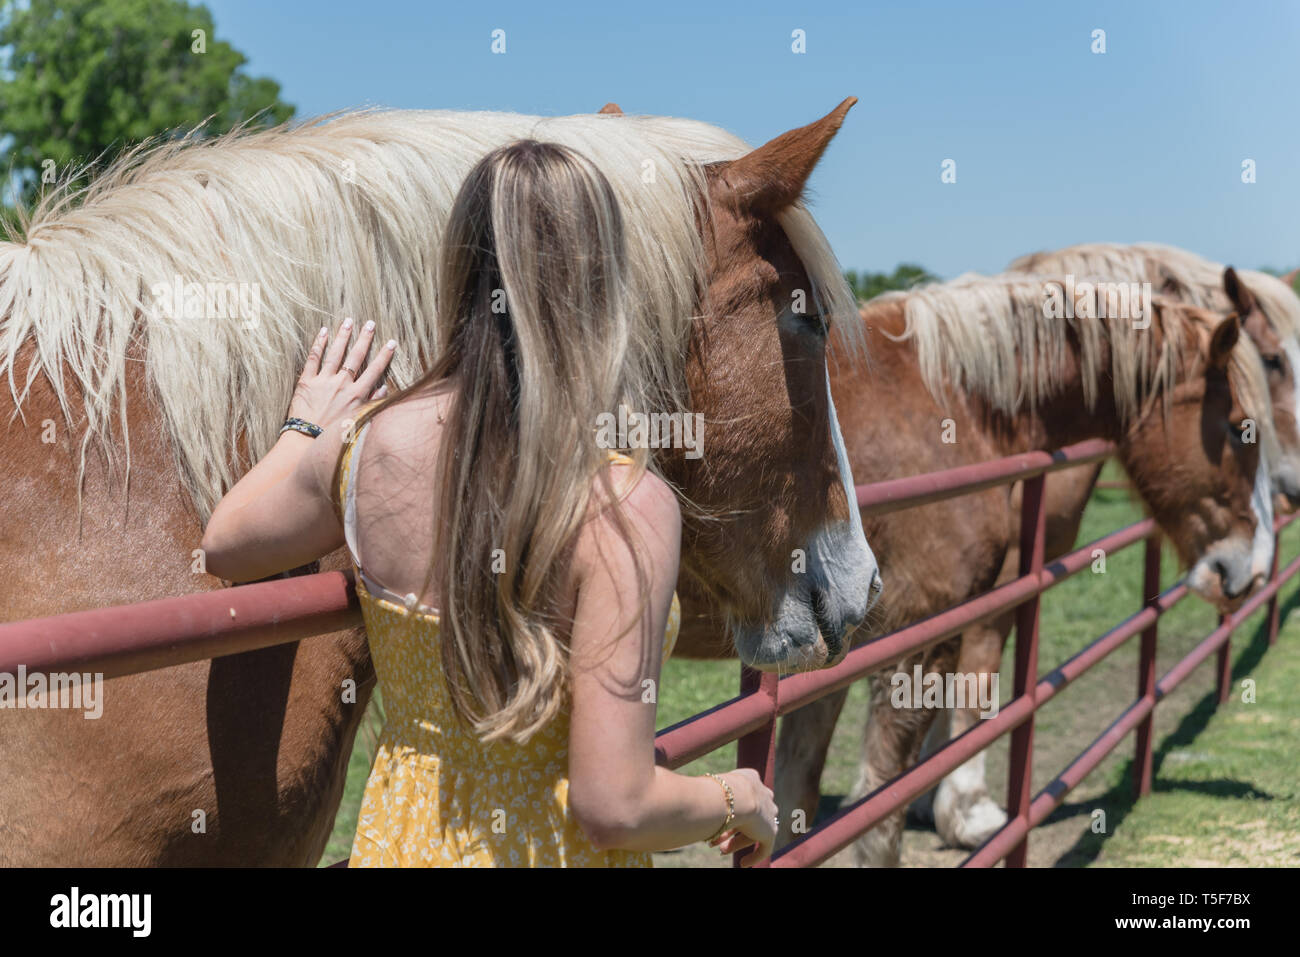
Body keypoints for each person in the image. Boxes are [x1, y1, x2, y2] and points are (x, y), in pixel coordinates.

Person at [200, 139, 778, 867]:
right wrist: (741, 796)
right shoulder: (625, 504)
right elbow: (614, 803)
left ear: (459, 269)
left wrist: (307, 424)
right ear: (603, 288)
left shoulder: (366, 445)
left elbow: (226, 540)